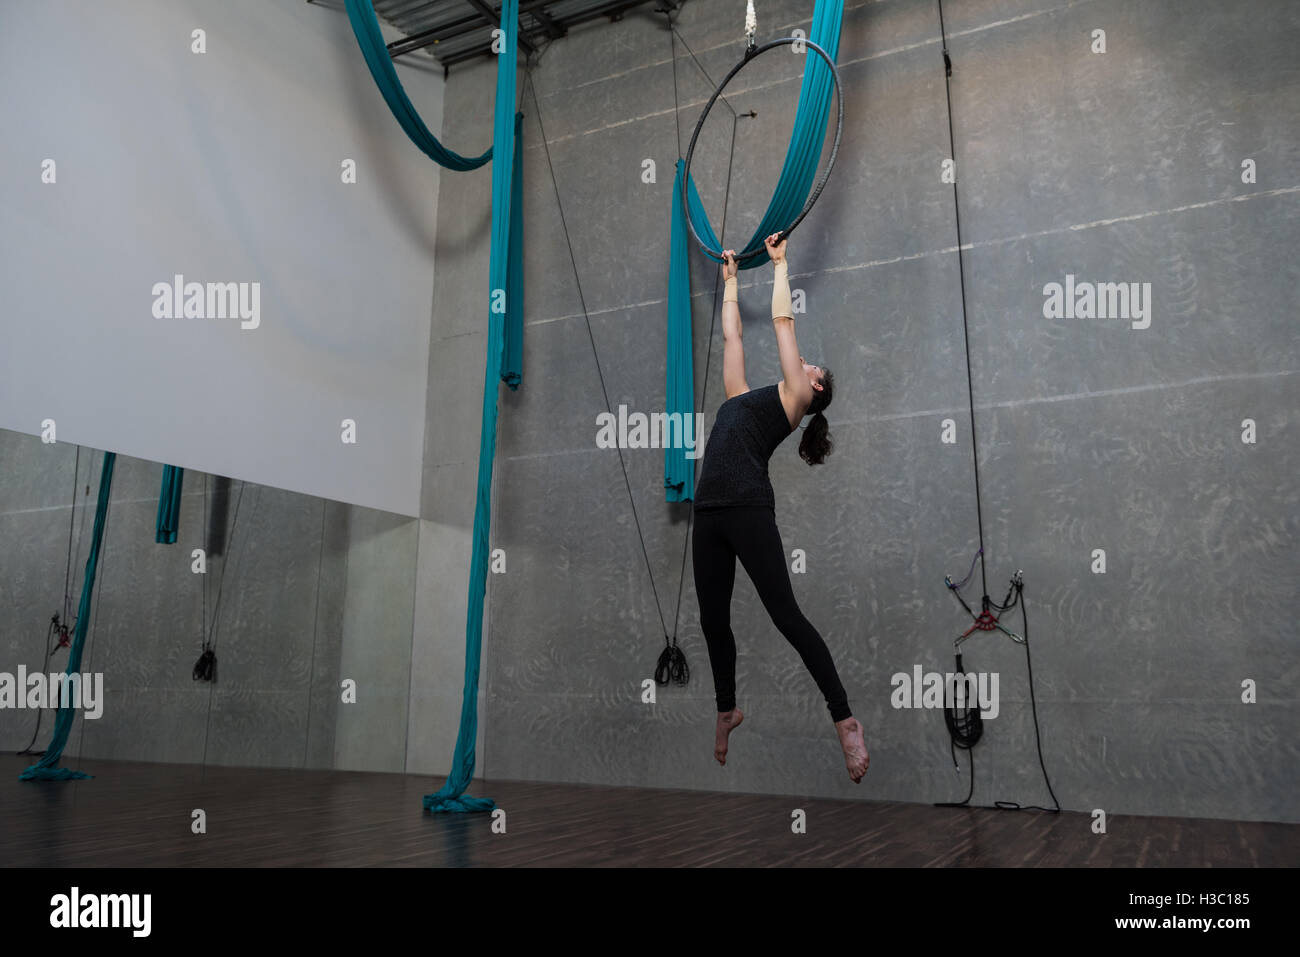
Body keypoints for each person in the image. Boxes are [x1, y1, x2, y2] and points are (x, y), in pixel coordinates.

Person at [692, 233, 869, 783]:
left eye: (813, 368)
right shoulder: (740, 398)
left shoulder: (795, 398)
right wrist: (728, 283)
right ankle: (727, 708)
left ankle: (844, 720)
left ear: (813, 388)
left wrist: (781, 264)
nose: (808, 364)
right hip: (709, 510)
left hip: (746, 506)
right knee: (711, 619)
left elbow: (782, 325)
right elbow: (733, 338)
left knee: (786, 616)